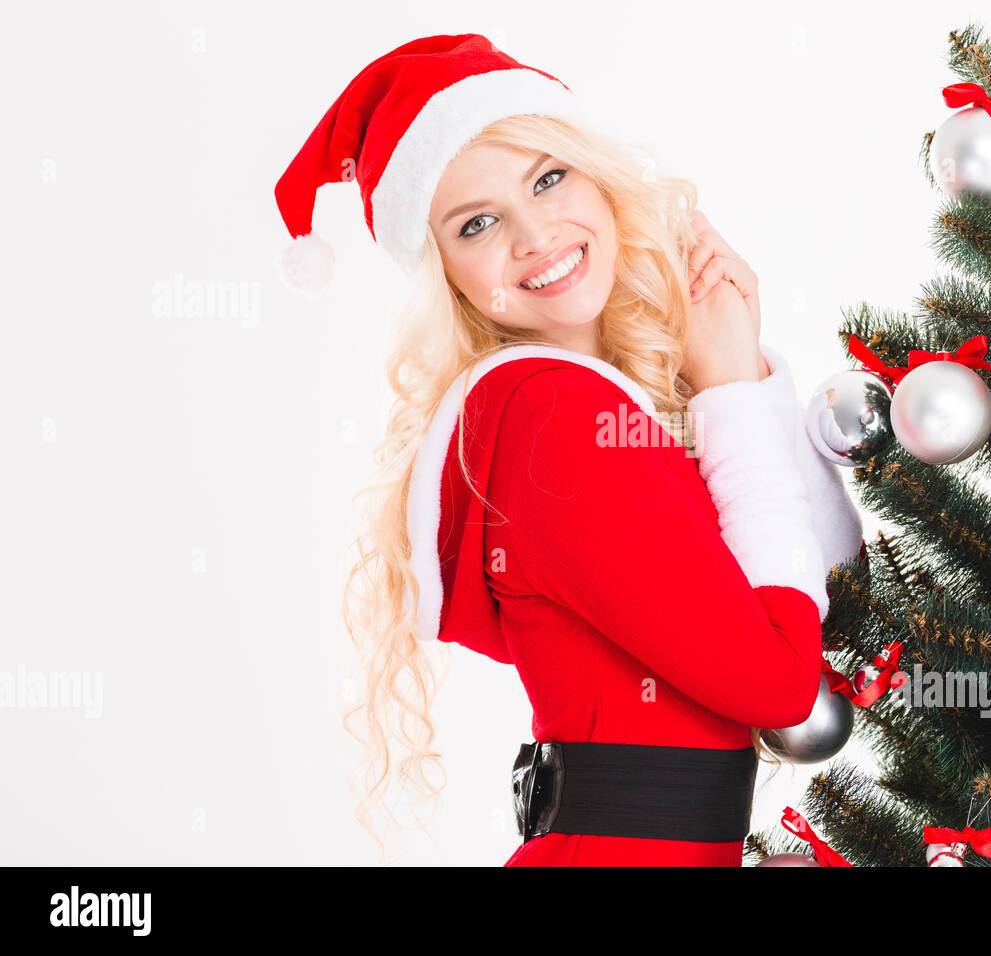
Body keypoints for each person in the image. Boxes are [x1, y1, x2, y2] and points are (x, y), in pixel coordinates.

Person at [274, 33, 864, 866]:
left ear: (597, 176)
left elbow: (831, 599)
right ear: (446, 274)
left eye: (549, 178)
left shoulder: (617, 404)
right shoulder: (550, 413)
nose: (536, 235)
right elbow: (778, 682)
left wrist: (745, 378)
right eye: (477, 224)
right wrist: (728, 390)